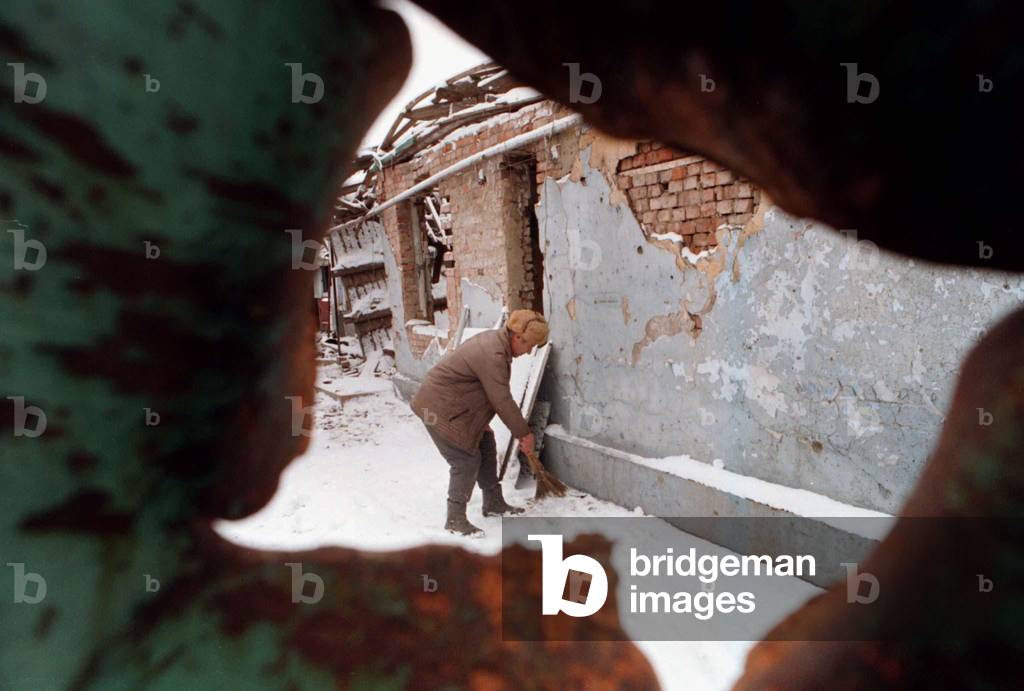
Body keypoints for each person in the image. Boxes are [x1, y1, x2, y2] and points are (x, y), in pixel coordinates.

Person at [411, 309, 549, 535]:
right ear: (518, 337)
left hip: (452, 406)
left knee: (486, 442)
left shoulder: (497, 343)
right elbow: (501, 400)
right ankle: (455, 519)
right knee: (465, 460)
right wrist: (524, 434)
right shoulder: (494, 354)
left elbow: (480, 388)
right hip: (434, 408)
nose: (529, 351)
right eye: (530, 345)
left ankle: (493, 502)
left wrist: (480, 422)